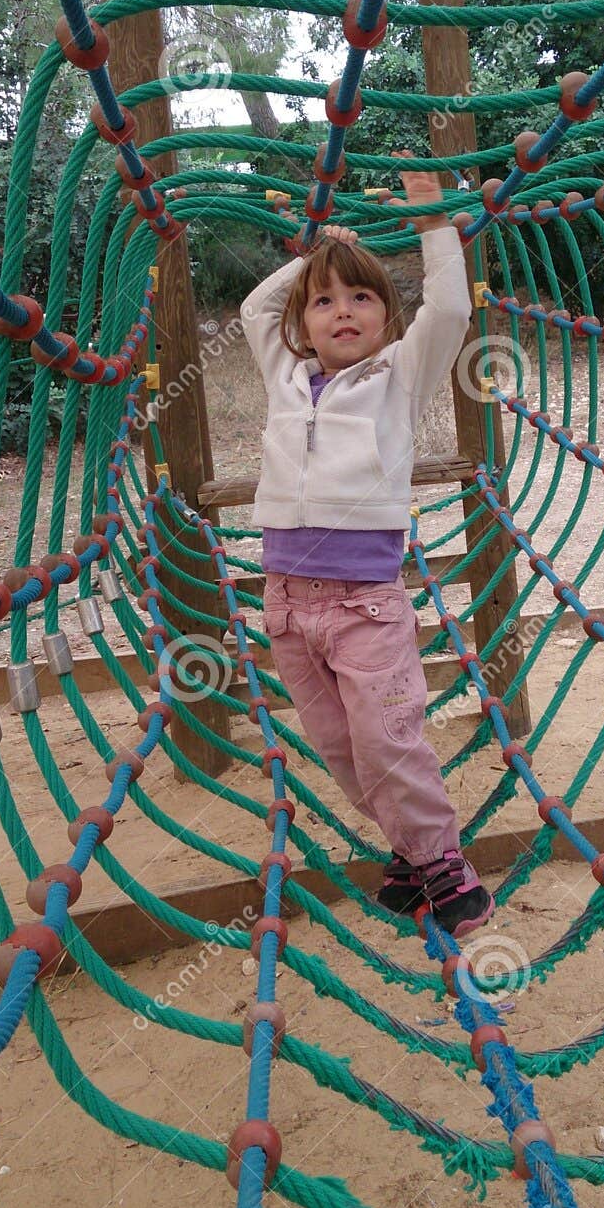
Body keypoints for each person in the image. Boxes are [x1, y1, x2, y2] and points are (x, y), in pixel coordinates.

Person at [240, 156, 495, 937]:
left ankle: (448, 873)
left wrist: (431, 223)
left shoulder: (396, 378)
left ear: (385, 317)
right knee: (340, 748)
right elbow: (256, 310)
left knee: (387, 739)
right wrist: (312, 258)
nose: (341, 311)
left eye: (360, 298)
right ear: (303, 322)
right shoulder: (284, 373)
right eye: (323, 301)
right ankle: (409, 855)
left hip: (364, 606)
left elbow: (448, 309)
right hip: (284, 606)